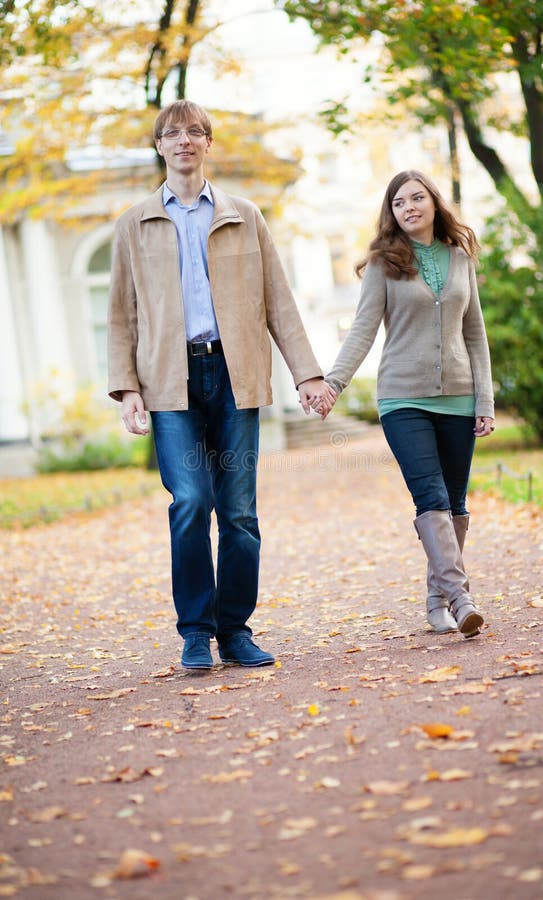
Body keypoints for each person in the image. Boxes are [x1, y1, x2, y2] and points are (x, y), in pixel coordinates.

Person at [108, 99, 335, 670]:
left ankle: (234, 630)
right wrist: (127, 388)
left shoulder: (243, 214)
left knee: (238, 512)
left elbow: (277, 299)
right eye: (173, 133)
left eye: (195, 132)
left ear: (208, 144)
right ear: (159, 146)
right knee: (190, 501)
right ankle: (194, 632)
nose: (184, 140)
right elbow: (121, 315)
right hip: (168, 384)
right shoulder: (133, 224)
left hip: (234, 377)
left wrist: (307, 373)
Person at [321, 170, 495, 638]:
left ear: (434, 203)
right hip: (402, 398)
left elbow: (474, 333)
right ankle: (461, 598)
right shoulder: (383, 263)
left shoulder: (460, 258)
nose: (410, 207)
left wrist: (486, 400)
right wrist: (334, 383)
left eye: (418, 198)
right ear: (391, 213)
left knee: (455, 502)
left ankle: (437, 597)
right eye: (400, 203)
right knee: (431, 497)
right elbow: (362, 329)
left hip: (458, 397)